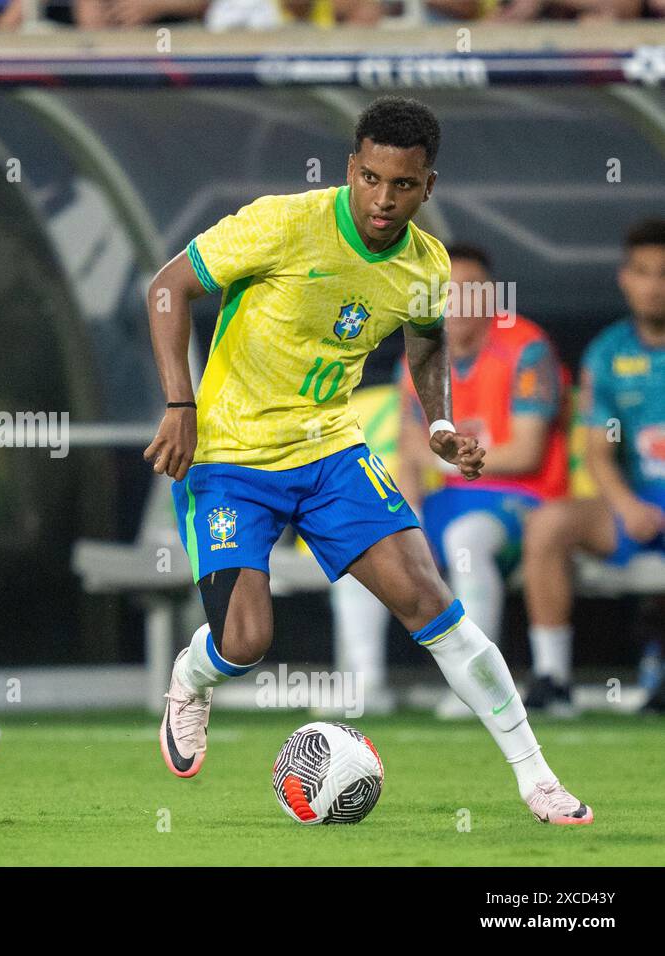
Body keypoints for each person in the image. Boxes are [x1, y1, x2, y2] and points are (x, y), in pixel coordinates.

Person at [145, 95, 591, 825]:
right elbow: (168, 289)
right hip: (229, 456)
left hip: (330, 452)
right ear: (352, 168)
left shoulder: (424, 265)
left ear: (428, 186)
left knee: (431, 603)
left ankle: (537, 777)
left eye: (404, 185)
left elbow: (425, 342)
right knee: (247, 640)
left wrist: (441, 420)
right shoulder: (283, 223)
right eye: (372, 179)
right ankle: (193, 676)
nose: (385, 200)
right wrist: (179, 404)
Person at [398, 244, 570, 718]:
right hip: (446, 497)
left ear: (490, 297)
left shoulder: (526, 347)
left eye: (467, 292)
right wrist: (403, 515)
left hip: (520, 501)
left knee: (465, 539)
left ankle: (481, 689)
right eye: (443, 292)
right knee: (368, 539)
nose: (454, 303)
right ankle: (364, 685)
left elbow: (527, 451)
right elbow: (407, 447)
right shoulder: (418, 349)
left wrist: (446, 461)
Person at [522, 219, 665, 714]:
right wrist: (626, 505)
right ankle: (552, 679)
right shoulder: (608, 354)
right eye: (643, 272)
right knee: (547, 523)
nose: (653, 286)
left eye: (663, 274)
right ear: (625, 278)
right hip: (640, 501)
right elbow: (599, 449)